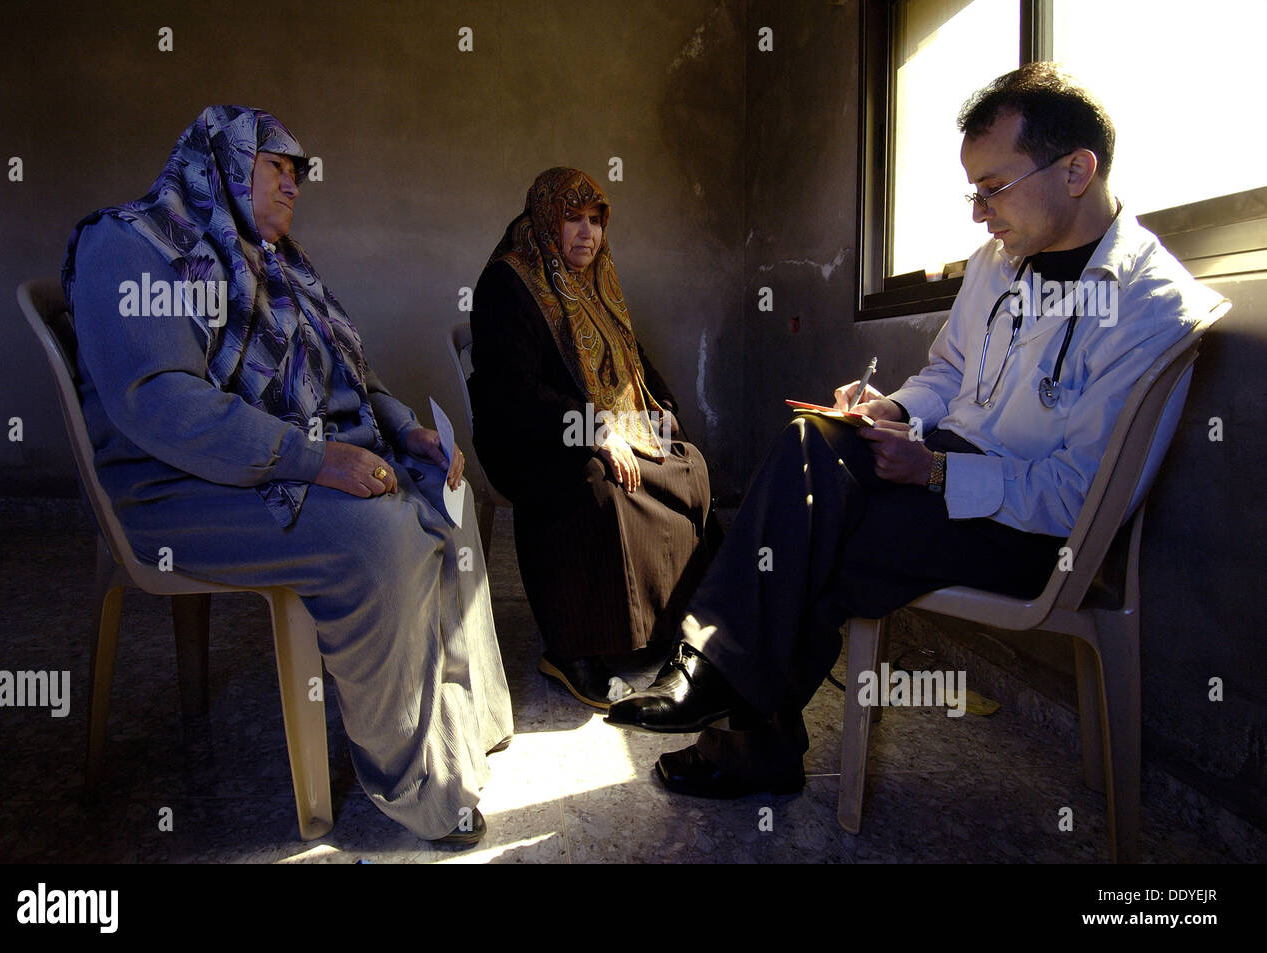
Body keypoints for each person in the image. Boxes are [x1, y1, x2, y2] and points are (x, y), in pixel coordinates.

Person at [606, 64, 1226, 797]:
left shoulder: (1153, 309)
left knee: (816, 539)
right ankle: (724, 687)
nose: (979, 214)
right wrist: (893, 410)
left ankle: (729, 705)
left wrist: (933, 472)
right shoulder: (1003, 264)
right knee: (814, 440)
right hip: (949, 476)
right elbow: (950, 373)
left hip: (1034, 535)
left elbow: (1079, 499)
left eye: (992, 188)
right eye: (974, 191)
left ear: (1077, 170)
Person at [61, 105, 513, 845]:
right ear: (220, 159)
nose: (293, 184)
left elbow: (350, 376)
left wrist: (406, 430)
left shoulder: (272, 257)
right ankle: (416, 782)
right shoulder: (132, 244)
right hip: (176, 486)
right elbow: (161, 406)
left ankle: (467, 725)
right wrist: (318, 459)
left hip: (272, 456)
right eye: (275, 165)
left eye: (298, 172)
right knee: (378, 537)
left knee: (452, 491)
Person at [469, 167, 718, 709]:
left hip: (600, 424)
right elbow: (513, 393)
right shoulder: (506, 283)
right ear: (544, 219)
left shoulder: (596, 279)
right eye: (572, 218)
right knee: (598, 485)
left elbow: (633, 362)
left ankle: (671, 621)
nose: (587, 234)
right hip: (528, 435)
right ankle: (573, 648)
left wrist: (663, 411)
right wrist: (596, 429)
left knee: (687, 462)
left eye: (596, 221)